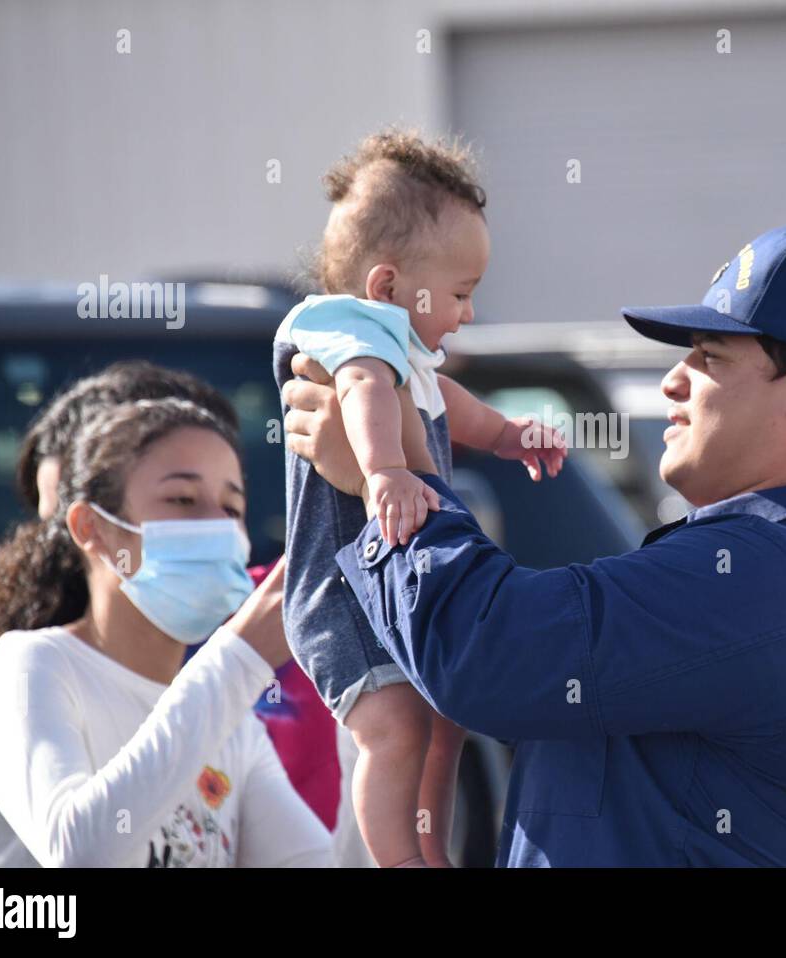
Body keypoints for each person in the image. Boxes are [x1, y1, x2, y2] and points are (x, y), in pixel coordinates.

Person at [284, 225, 786, 866]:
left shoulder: (773, 571)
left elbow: (485, 653)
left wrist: (392, 480)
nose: (673, 382)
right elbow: (536, 686)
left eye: (710, 355)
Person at [274, 129, 565, 867]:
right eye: (462, 294)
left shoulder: (407, 355)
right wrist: (381, 473)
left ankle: (429, 850)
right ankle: (398, 860)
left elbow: (450, 403)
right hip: (343, 589)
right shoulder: (348, 333)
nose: (468, 313)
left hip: (394, 581)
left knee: (443, 723)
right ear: (385, 286)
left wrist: (506, 436)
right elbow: (363, 389)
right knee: (395, 728)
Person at [0, 397, 336, 866]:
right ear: (91, 526)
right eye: (182, 499)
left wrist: (372, 720)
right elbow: (77, 854)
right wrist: (243, 653)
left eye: (232, 508)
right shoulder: (29, 667)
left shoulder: (230, 720)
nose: (217, 527)